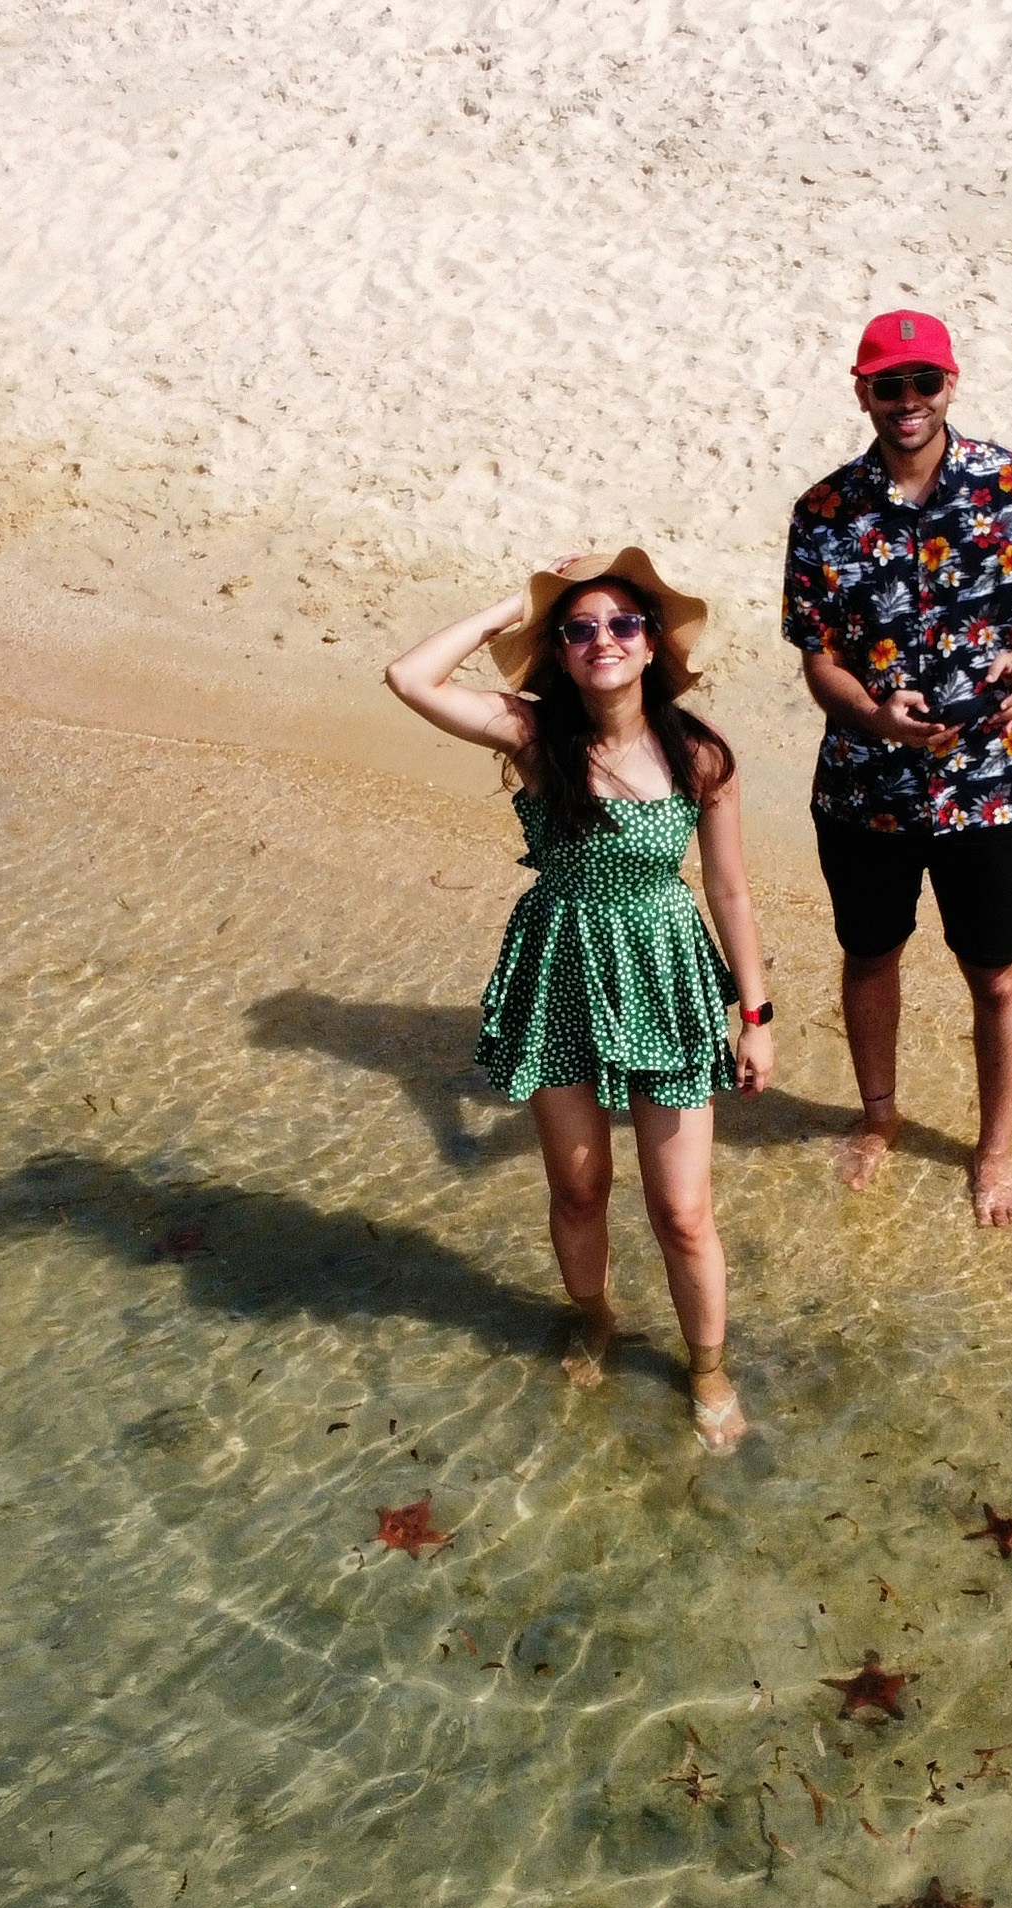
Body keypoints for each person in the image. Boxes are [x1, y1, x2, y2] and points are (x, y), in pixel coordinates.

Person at [383, 550, 777, 1450]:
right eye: (580, 629)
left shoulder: (702, 753)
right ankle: (593, 1315)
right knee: (581, 1186)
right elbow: (409, 676)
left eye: (622, 625)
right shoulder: (533, 737)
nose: (604, 640)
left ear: (651, 647)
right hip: (560, 968)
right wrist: (509, 606)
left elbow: (731, 893)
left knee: (682, 1211)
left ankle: (707, 1369)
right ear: (560, 651)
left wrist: (754, 1016)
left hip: (669, 976)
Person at [782, 308, 1012, 1228]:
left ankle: (994, 1148)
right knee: (870, 956)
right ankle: (881, 1118)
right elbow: (817, 659)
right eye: (888, 385)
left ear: (950, 384)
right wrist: (874, 715)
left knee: (994, 972)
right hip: (866, 789)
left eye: (923, 382)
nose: (907, 401)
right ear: (862, 391)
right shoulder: (823, 512)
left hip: (992, 782)